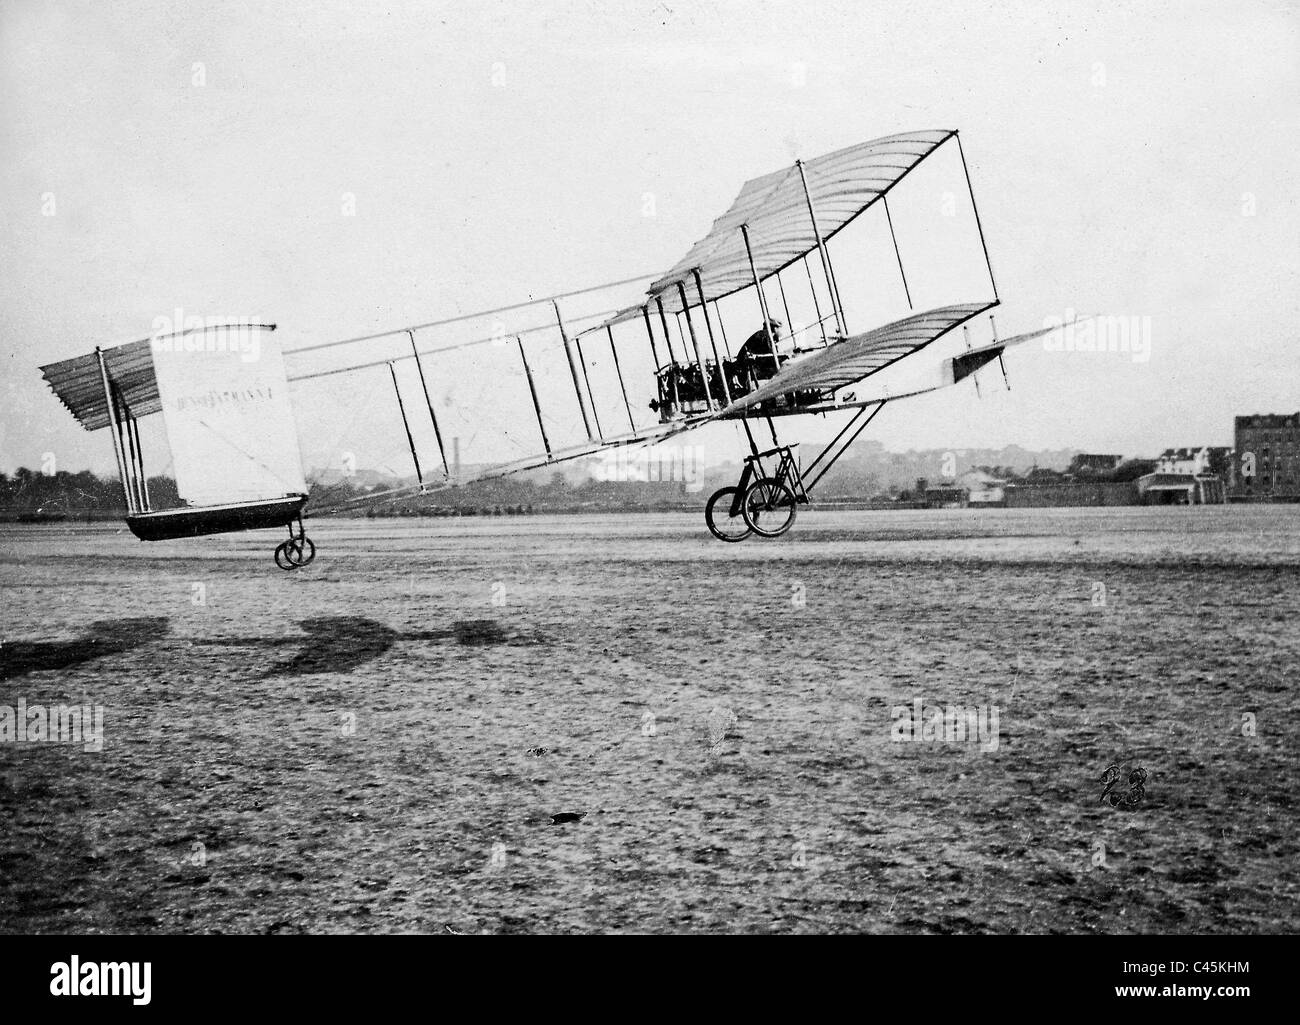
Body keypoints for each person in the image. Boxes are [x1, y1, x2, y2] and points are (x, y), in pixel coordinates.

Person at [734, 318, 783, 388]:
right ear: (774, 328)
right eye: (779, 328)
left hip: (748, 372)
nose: (780, 331)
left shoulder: (763, 335)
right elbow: (770, 357)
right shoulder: (765, 335)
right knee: (783, 368)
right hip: (750, 372)